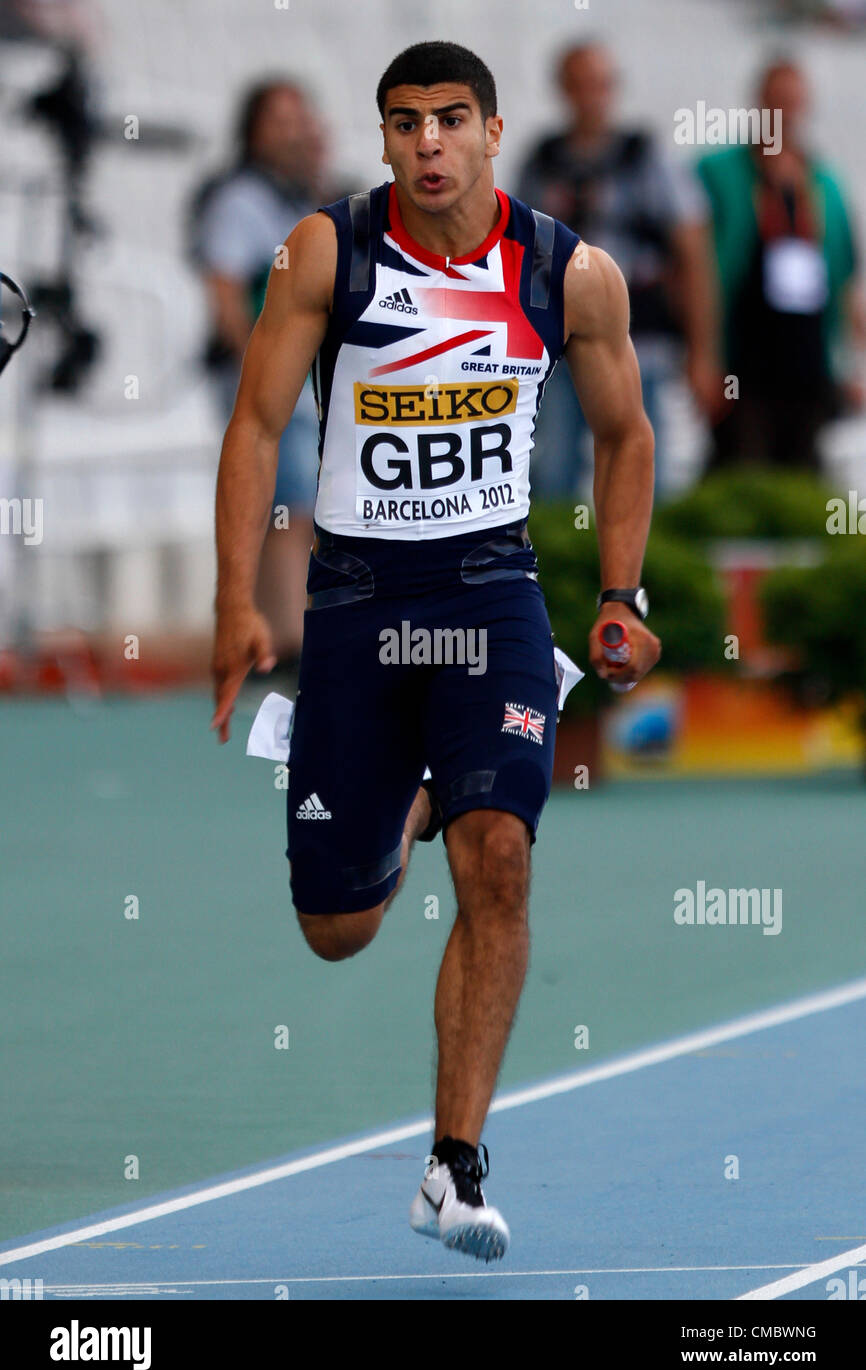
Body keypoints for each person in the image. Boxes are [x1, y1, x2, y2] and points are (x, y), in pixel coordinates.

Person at [211, 40, 660, 1262]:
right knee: (335, 925)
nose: (427, 144)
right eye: (404, 123)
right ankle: (399, 801)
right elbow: (254, 424)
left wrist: (619, 592)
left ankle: (452, 1165)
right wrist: (234, 600)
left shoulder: (569, 275)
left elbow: (626, 435)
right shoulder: (327, 252)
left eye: (449, 120)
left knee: (501, 857)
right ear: (385, 138)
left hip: (489, 590)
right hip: (355, 599)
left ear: (491, 130)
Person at [516, 41, 723, 499]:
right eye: (579, 84)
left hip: (637, 339)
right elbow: (513, 253)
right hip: (561, 342)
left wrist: (702, 351)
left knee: (641, 462)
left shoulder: (645, 159)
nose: (589, 96)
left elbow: (692, 251)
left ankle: (645, 567)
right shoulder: (543, 161)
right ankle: (559, 565)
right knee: (552, 470)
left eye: (598, 84)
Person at [193, 79, 326, 674]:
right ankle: (285, 641)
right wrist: (261, 370)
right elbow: (224, 292)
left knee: (305, 507)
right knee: (289, 509)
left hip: (311, 378)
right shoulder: (241, 201)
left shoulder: (308, 196)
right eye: (279, 121)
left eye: (300, 118)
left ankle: (284, 635)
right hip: (278, 378)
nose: (293, 132)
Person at [697, 59, 865, 470]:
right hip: (744, 364)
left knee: (804, 471)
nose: (784, 114)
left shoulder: (824, 184)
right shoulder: (720, 175)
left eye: (792, 103)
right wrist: (703, 358)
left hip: (807, 366)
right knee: (742, 470)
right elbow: (699, 273)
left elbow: (845, 282)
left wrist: (853, 364)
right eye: (776, 102)